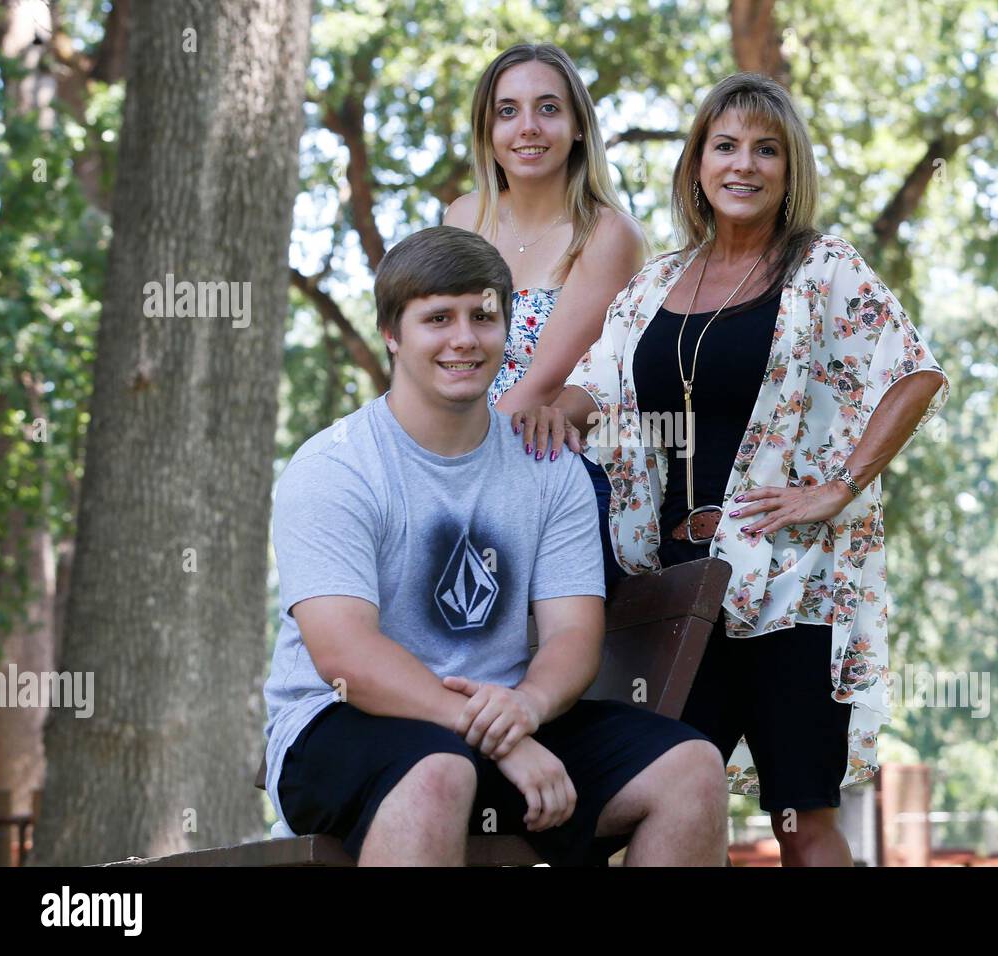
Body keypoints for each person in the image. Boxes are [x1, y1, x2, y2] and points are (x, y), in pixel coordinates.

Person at [512, 74, 950, 866]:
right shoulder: (653, 284)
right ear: (697, 166)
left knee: (803, 819)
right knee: (662, 798)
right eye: (725, 146)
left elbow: (914, 372)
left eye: (765, 149)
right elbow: (596, 383)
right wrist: (542, 417)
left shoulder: (823, 269)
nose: (743, 164)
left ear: (789, 170)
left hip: (791, 586)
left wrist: (841, 485)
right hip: (674, 588)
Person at [261, 226, 727, 866]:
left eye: (482, 316)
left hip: (507, 719)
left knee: (691, 768)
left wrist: (529, 707)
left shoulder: (547, 467)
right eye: (437, 318)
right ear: (392, 334)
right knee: (438, 772)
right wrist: (502, 740)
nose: (464, 338)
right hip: (339, 726)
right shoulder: (335, 468)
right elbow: (347, 658)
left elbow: (572, 637)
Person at [443, 42, 646, 589]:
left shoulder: (607, 234)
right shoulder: (463, 218)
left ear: (578, 126)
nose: (527, 127)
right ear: (488, 130)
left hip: (559, 459)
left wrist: (443, 471)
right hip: (463, 449)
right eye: (507, 111)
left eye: (548, 108)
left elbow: (541, 382)